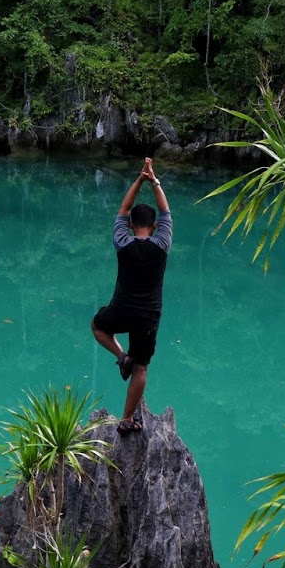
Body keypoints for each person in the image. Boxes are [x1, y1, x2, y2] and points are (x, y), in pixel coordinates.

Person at [90, 158, 171, 434]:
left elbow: (123, 210)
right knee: (141, 368)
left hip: (122, 310)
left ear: (132, 224)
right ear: (156, 226)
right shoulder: (162, 244)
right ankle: (126, 419)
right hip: (148, 317)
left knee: (98, 327)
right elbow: (166, 210)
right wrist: (154, 179)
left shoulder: (122, 242)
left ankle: (121, 355)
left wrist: (139, 179)